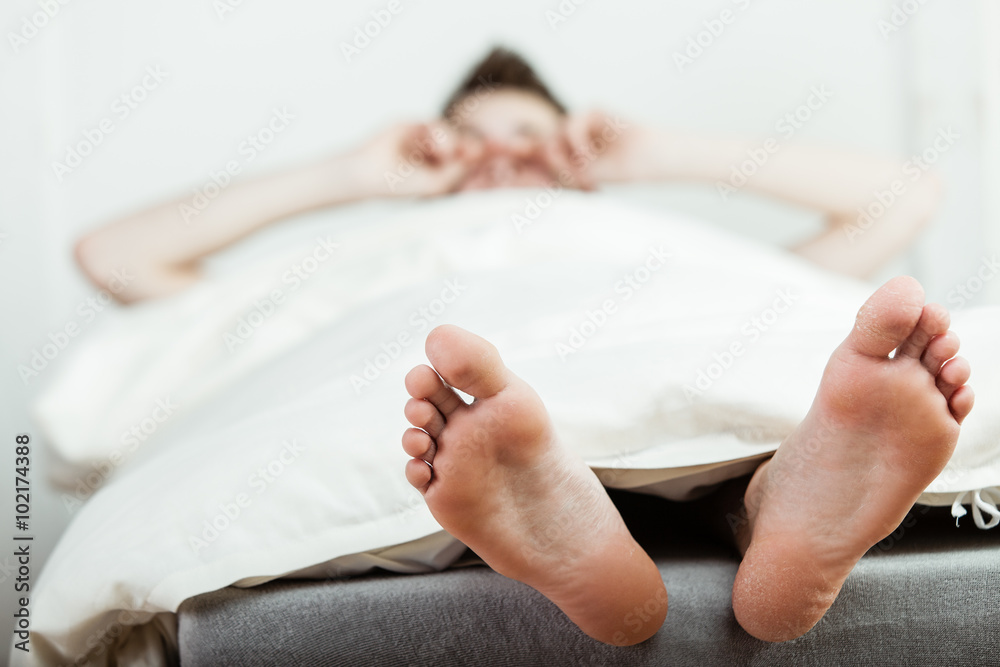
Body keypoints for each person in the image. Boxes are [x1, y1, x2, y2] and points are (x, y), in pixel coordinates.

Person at [72, 48, 972, 645]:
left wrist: (652, 155)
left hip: (661, 319)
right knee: (729, 409)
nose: (502, 157)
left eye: (532, 139)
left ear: (583, 163)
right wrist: (352, 175)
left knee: (753, 359)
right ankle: (743, 502)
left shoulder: (659, 253)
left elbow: (903, 195)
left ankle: (781, 490)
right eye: (469, 142)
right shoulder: (372, 263)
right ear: (429, 168)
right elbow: (111, 257)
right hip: (409, 322)